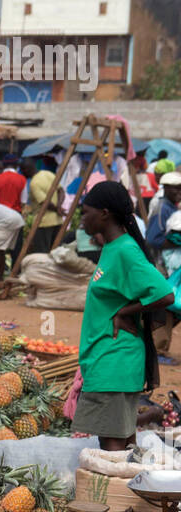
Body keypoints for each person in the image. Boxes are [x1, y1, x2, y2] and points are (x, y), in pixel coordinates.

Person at [75, 181, 173, 451]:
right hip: (107, 359)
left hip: (115, 362)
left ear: (104, 213)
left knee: (113, 450)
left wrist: (124, 312)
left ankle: (114, 495)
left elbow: (165, 294)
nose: (82, 219)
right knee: (120, 444)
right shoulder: (112, 247)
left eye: (86, 212)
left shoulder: (125, 251)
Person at [144, 172, 181, 358]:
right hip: (160, 266)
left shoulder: (171, 207)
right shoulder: (162, 208)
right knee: (166, 307)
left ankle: (157, 346)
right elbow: (152, 239)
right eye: (176, 188)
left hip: (169, 267)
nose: (179, 192)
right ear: (165, 188)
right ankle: (157, 349)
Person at [26, 161, 65, 255]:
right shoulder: (48, 174)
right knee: (56, 253)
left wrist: (57, 208)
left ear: (26, 170)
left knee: (42, 254)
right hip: (58, 221)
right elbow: (61, 191)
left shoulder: (34, 183)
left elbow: (44, 203)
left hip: (43, 223)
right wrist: (59, 207)